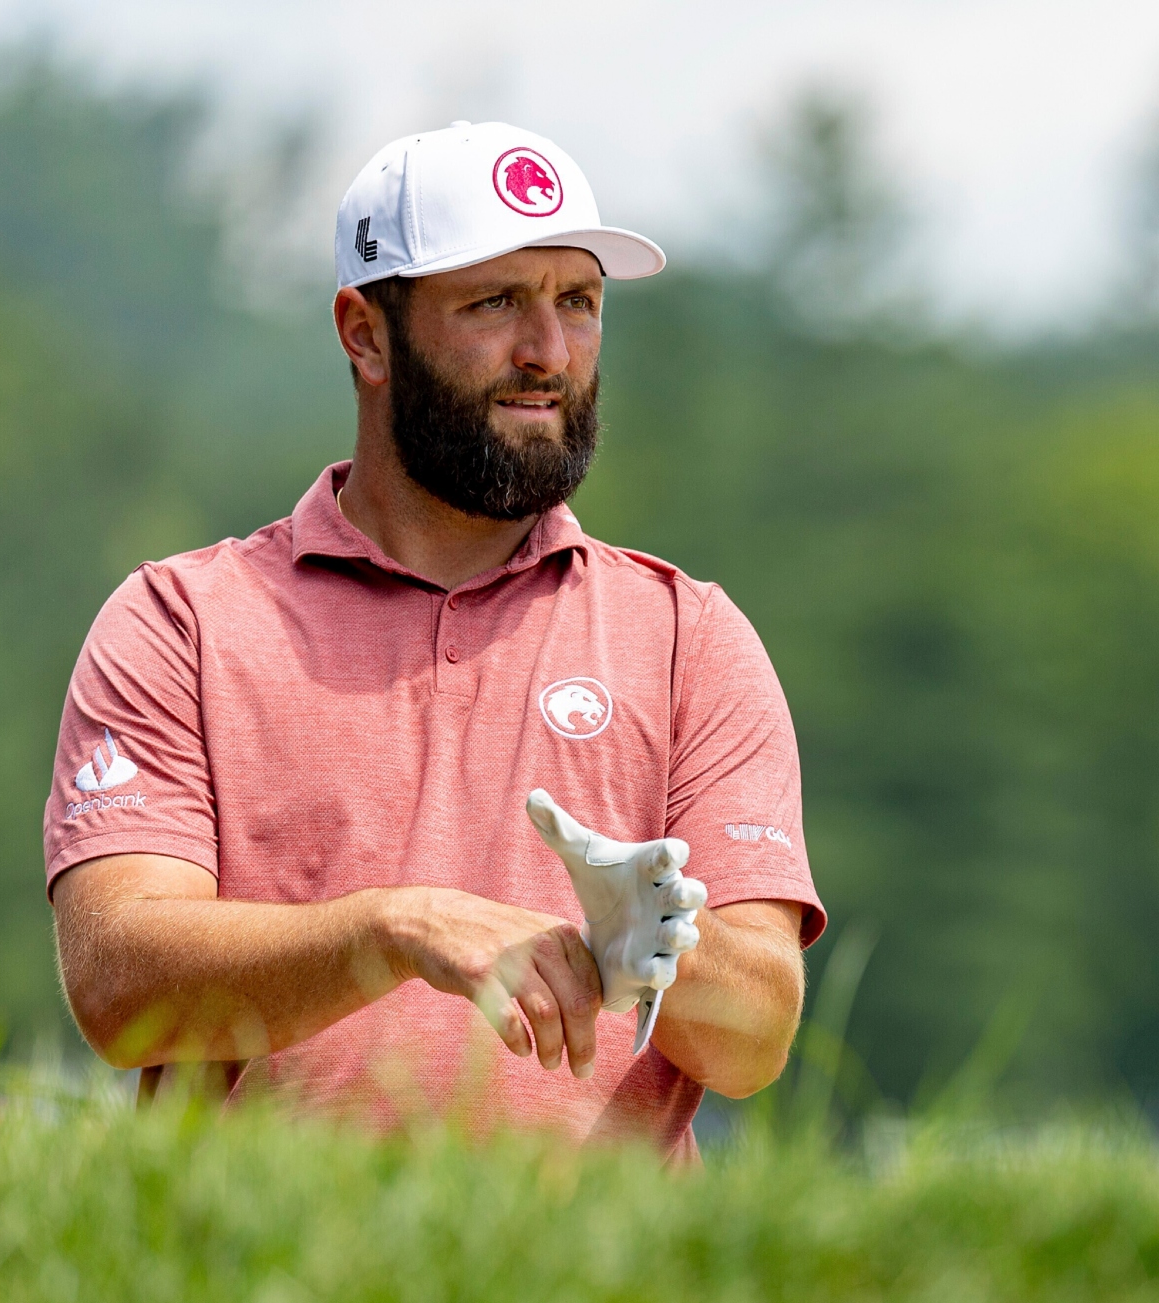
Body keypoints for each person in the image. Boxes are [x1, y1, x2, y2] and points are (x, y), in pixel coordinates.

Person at [44, 121, 825, 1160]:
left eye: (578, 302)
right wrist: (393, 930)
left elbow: (757, 1037)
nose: (548, 350)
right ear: (364, 333)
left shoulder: (689, 636)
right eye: (496, 301)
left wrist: (655, 942)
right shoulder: (179, 624)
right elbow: (118, 983)